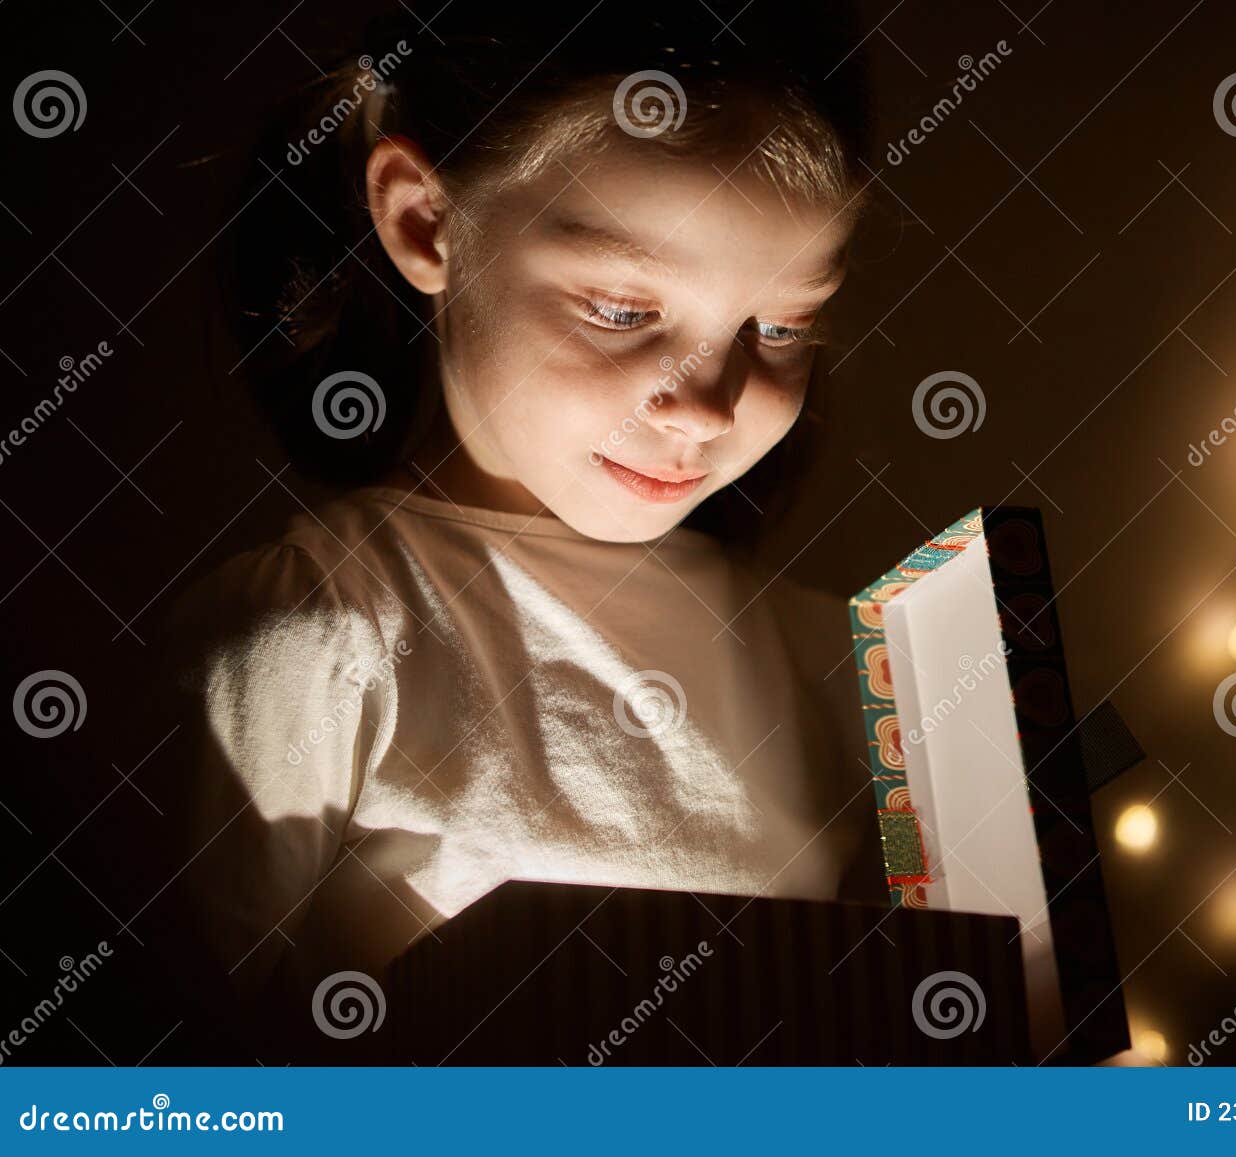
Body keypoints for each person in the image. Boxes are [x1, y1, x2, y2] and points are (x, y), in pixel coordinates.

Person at [152, 2, 883, 1050]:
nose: (710, 403)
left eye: (780, 327)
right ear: (425, 222)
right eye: (625, 310)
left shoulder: (837, 666)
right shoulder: (317, 636)